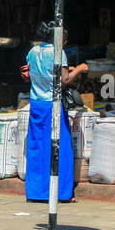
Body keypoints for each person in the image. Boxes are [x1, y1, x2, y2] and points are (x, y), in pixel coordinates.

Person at [22, 21, 87, 203]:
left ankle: (36, 192)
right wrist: (80, 69)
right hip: (53, 105)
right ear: (59, 38)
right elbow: (65, 80)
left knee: (37, 147)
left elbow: (36, 71)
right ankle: (62, 193)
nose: (65, 42)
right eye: (64, 38)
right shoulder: (59, 53)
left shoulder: (33, 51)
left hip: (36, 103)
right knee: (61, 148)